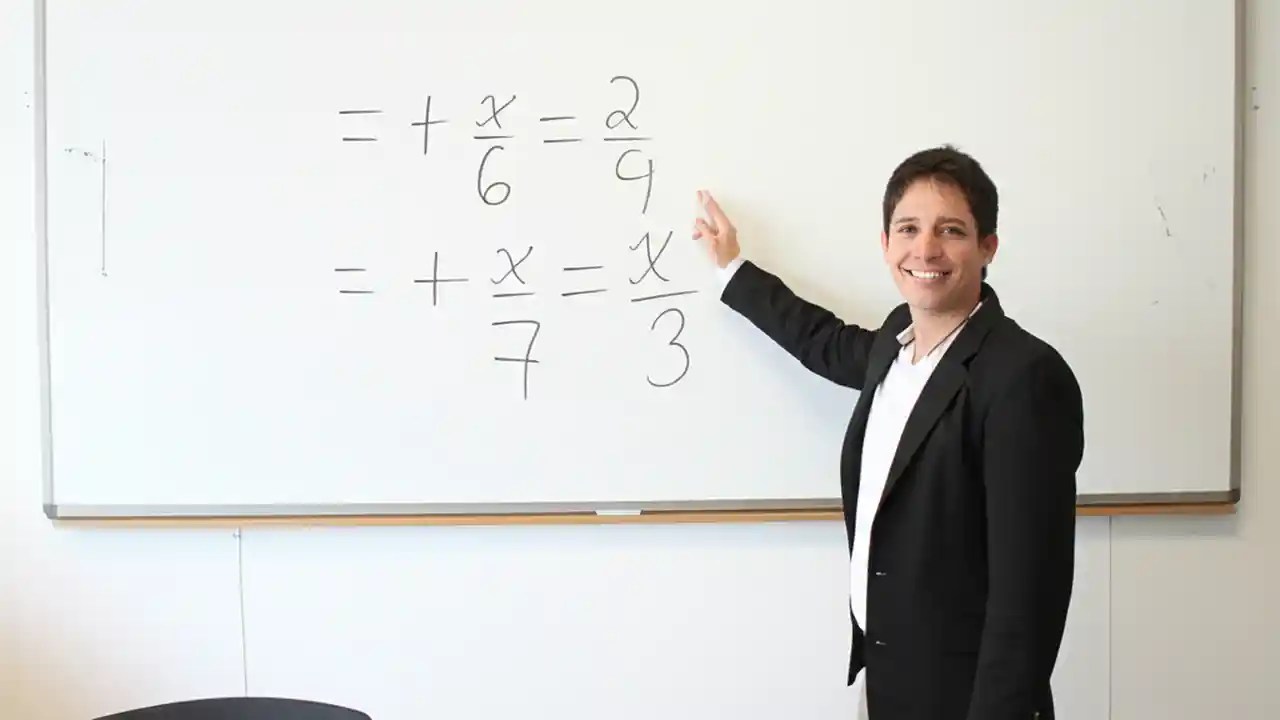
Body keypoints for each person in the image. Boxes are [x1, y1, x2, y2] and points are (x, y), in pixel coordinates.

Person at [693, 145, 1084, 720]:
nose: (925, 249)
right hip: (886, 680)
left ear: (987, 247)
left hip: (967, 699)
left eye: (950, 230)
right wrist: (732, 267)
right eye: (908, 229)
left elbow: (1029, 598)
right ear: (885, 245)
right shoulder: (896, 342)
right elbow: (820, 340)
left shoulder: (1023, 377)